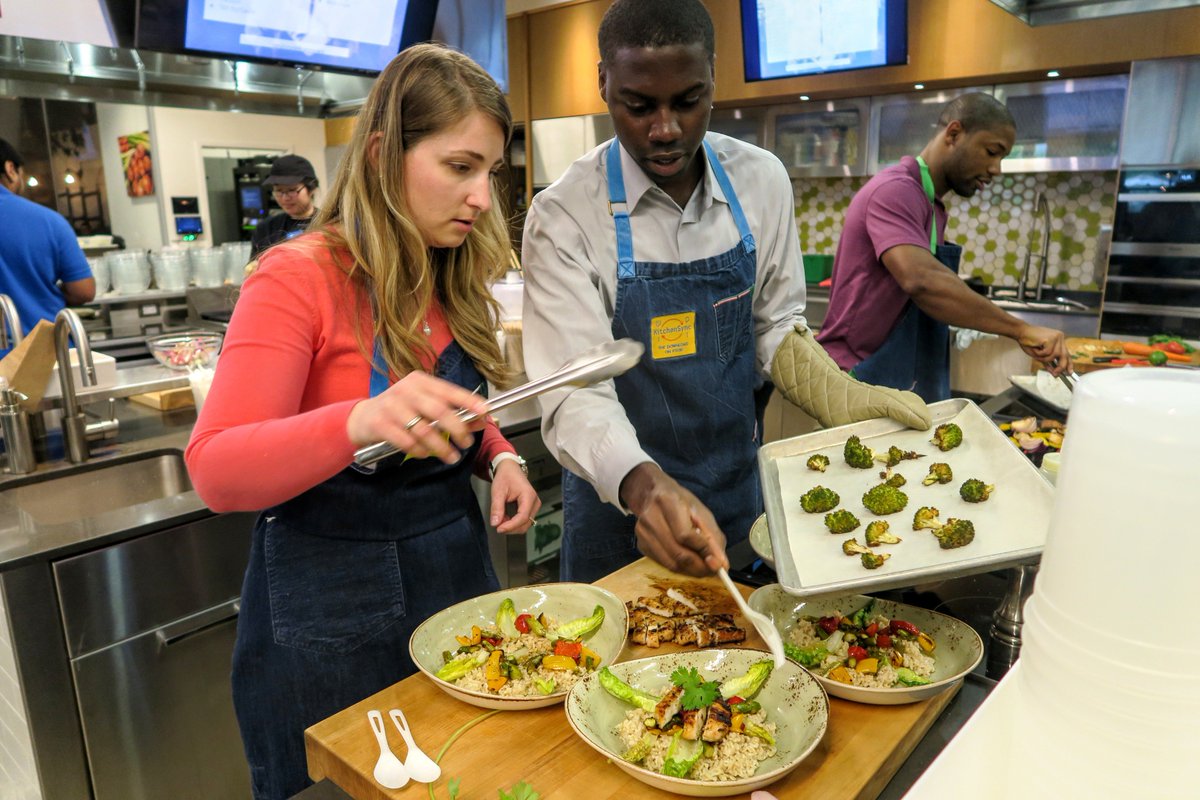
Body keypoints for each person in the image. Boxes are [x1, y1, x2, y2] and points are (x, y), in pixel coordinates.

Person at [184, 44, 540, 800]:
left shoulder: (447, 270)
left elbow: (456, 406)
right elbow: (215, 468)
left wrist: (500, 457)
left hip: (453, 575)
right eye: (459, 167)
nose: (481, 197)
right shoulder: (297, 277)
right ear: (382, 155)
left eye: (491, 174)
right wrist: (356, 420)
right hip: (330, 610)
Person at [520, 0, 930, 585]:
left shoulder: (760, 179)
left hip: (737, 495)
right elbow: (575, 391)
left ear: (713, 79)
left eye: (689, 101)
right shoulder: (564, 215)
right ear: (604, 83)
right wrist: (644, 487)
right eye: (638, 106)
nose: (666, 129)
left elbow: (775, 322)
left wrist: (838, 394)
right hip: (621, 514)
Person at [817, 93, 1071, 402]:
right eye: (992, 152)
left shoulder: (930, 204)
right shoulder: (895, 190)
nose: (996, 169)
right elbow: (923, 281)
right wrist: (1019, 329)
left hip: (898, 382)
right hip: (858, 379)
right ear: (953, 133)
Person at [0, 137, 95, 331]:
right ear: (10, 169)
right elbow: (84, 291)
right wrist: (42, 292)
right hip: (44, 349)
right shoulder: (48, 221)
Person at [248, 154, 320, 259]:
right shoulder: (266, 229)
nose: (285, 198)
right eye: (279, 191)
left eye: (292, 190)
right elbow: (254, 268)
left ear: (312, 189)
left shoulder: (326, 224)